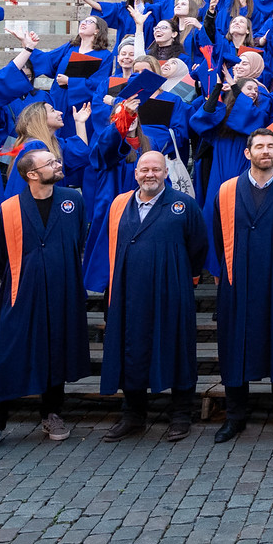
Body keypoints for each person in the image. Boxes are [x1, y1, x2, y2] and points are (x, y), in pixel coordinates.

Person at [0, 147, 92, 455]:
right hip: (21, 293)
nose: (58, 164)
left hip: (62, 290)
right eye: (50, 162)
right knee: (7, 355)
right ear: (32, 174)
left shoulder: (73, 200)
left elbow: (78, 241)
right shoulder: (9, 209)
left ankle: (51, 413)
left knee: (56, 350)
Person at [88, 149, 208, 441]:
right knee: (132, 350)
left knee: (177, 349)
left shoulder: (184, 205)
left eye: (156, 169)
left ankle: (181, 415)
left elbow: (199, 247)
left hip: (172, 292)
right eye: (144, 170)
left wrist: (178, 275)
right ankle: (133, 415)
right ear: (136, 174)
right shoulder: (120, 204)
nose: (150, 174)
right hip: (129, 294)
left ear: (166, 173)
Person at [211, 129, 273, 441]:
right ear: (247, 153)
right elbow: (219, 237)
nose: (265, 151)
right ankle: (235, 417)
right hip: (237, 283)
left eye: (270, 146)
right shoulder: (227, 191)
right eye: (259, 146)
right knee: (234, 348)